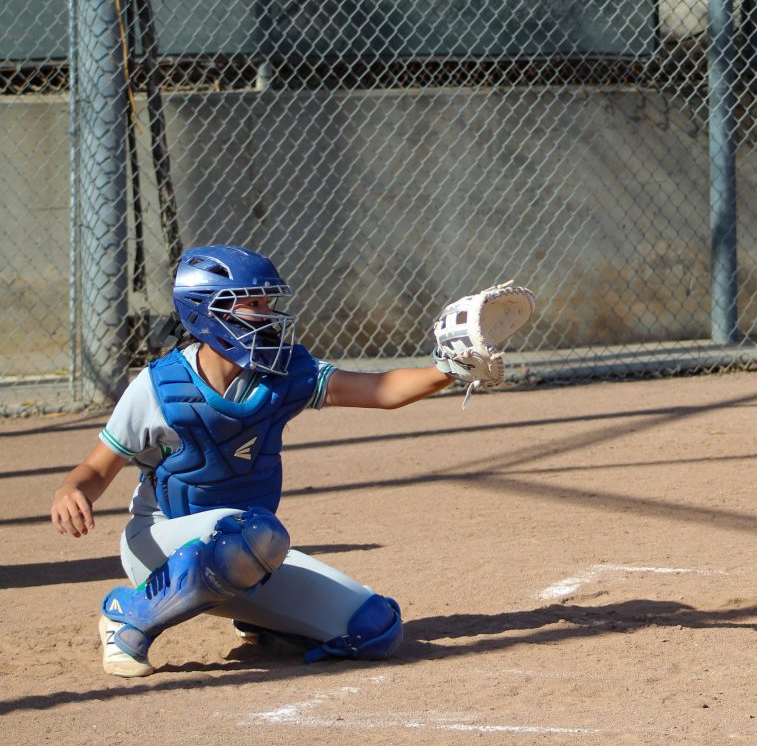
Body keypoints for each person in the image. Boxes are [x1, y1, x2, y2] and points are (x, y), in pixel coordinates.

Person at [50, 244, 479, 677]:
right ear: (207, 312)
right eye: (252, 303)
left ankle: (258, 616)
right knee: (251, 533)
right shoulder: (160, 387)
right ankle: (129, 615)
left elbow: (381, 391)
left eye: (268, 302)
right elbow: (95, 469)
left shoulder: (281, 372)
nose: (267, 314)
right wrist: (72, 490)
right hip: (159, 544)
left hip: (251, 548)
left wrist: (452, 369)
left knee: (374, 630)